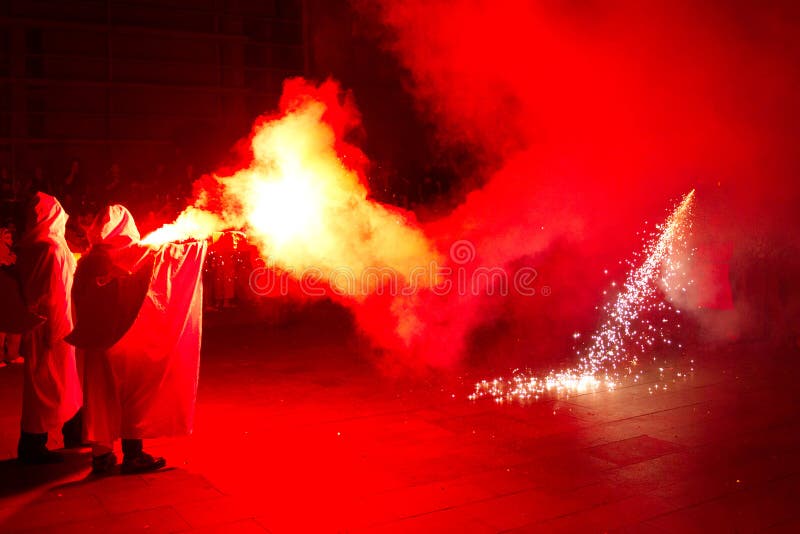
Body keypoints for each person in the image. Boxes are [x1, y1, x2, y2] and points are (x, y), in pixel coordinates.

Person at [67, 205, 207, 474]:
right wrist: (204, 242)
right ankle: (133, 454)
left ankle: (102, 457)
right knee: (133, 393)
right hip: (122, 340)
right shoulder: (132, 255)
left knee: (99, 398)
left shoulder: (88, 259)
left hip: (94, 341)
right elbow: (172, 258)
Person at [15, 193, 82, 463]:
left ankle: (71, 431)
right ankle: (33, 443)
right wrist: (57, 332)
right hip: (52, 326)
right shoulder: (49, 247)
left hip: (42, 325)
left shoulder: (34, 243)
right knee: (47, 384)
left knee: (61, 383)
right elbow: (51, 292)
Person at [0, 227, 24, 366]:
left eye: (10, 237)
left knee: (13, 326)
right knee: (2, 328)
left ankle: (12, 355)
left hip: (13, 296)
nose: (10, 240)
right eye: (6, 237)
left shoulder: (12, 254)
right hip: (3, 295)